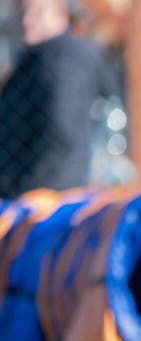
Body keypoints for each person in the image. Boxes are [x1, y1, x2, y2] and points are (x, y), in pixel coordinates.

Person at [0, 0, 119, 199]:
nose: (27, 21)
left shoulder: (62, 60)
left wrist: (26, 192)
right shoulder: (37, 58)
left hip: (42, 201)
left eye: (37, 13)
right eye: (23, 12)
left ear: (61, 15)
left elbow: (61, 134)